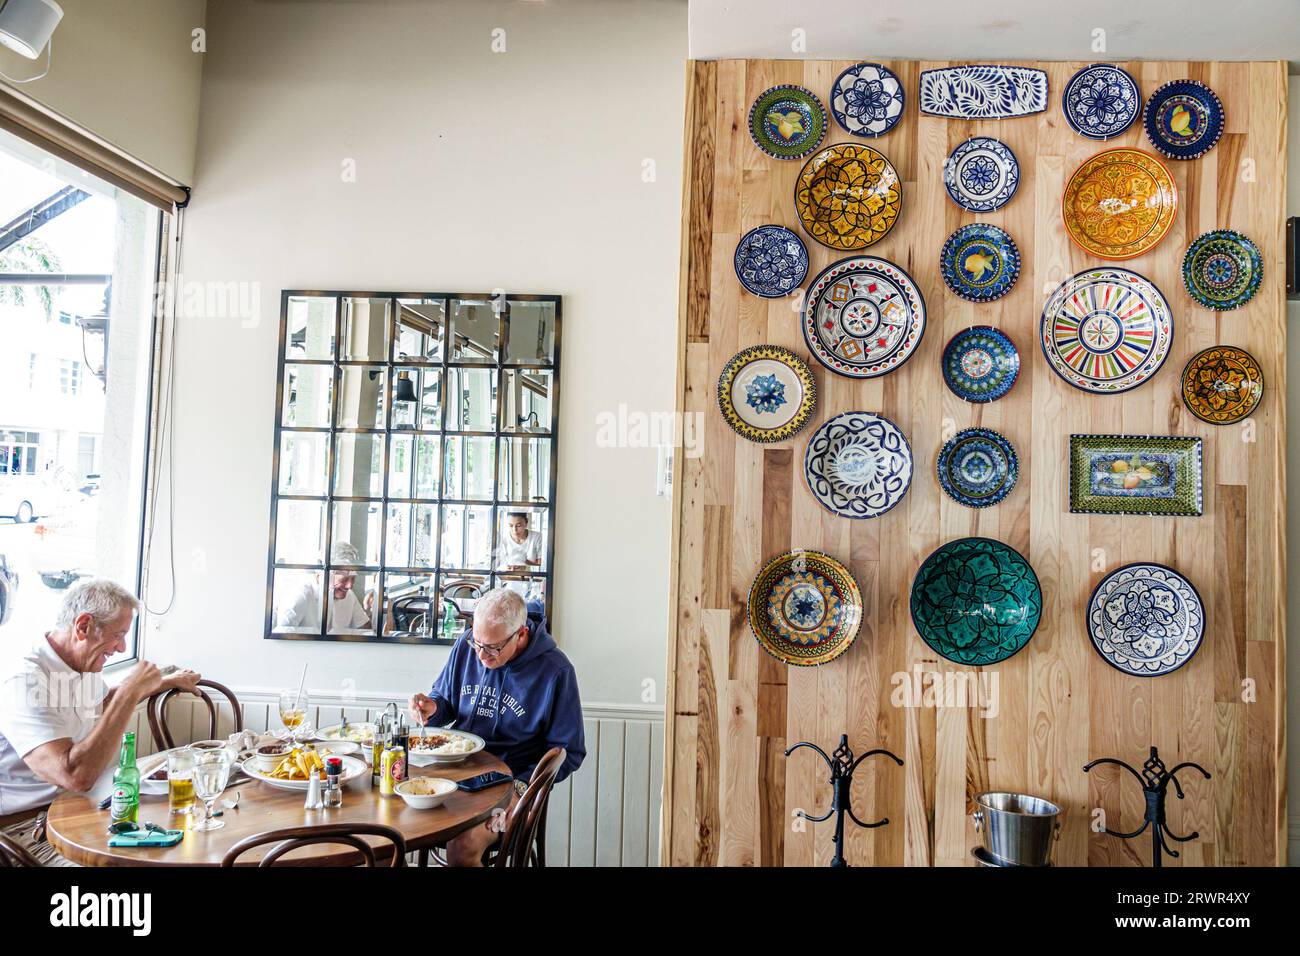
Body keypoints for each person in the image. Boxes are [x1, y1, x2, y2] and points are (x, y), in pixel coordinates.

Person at [0, 579, 200, 866]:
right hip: (27, 832)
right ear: (83, 627)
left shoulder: (80, 663)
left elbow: (102, 702)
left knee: (175, 845)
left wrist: (165, 681)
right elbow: (74, 776)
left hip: (79, 809)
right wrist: (131, 692)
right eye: (118, 635)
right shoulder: (25, 682)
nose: (121, 647)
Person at [408, 587, 583, 866]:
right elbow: (445, 703)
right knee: (389, 827)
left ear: (522, 634)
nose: (481, 655)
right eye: (476, 643)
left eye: (492, 647)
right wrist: (432, 708)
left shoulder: (556, 671)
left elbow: (569, 752)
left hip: (512, 791)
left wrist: (522, 787)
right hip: (457, 777)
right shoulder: (468, 646)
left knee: (463, 844)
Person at [277, 541, 371, 632]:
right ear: (324, 573)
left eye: (353, 578)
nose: (349, 586)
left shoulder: (349, 596)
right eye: (344, 579)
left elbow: (366, 630)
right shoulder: (299, 595)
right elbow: (282, 638)